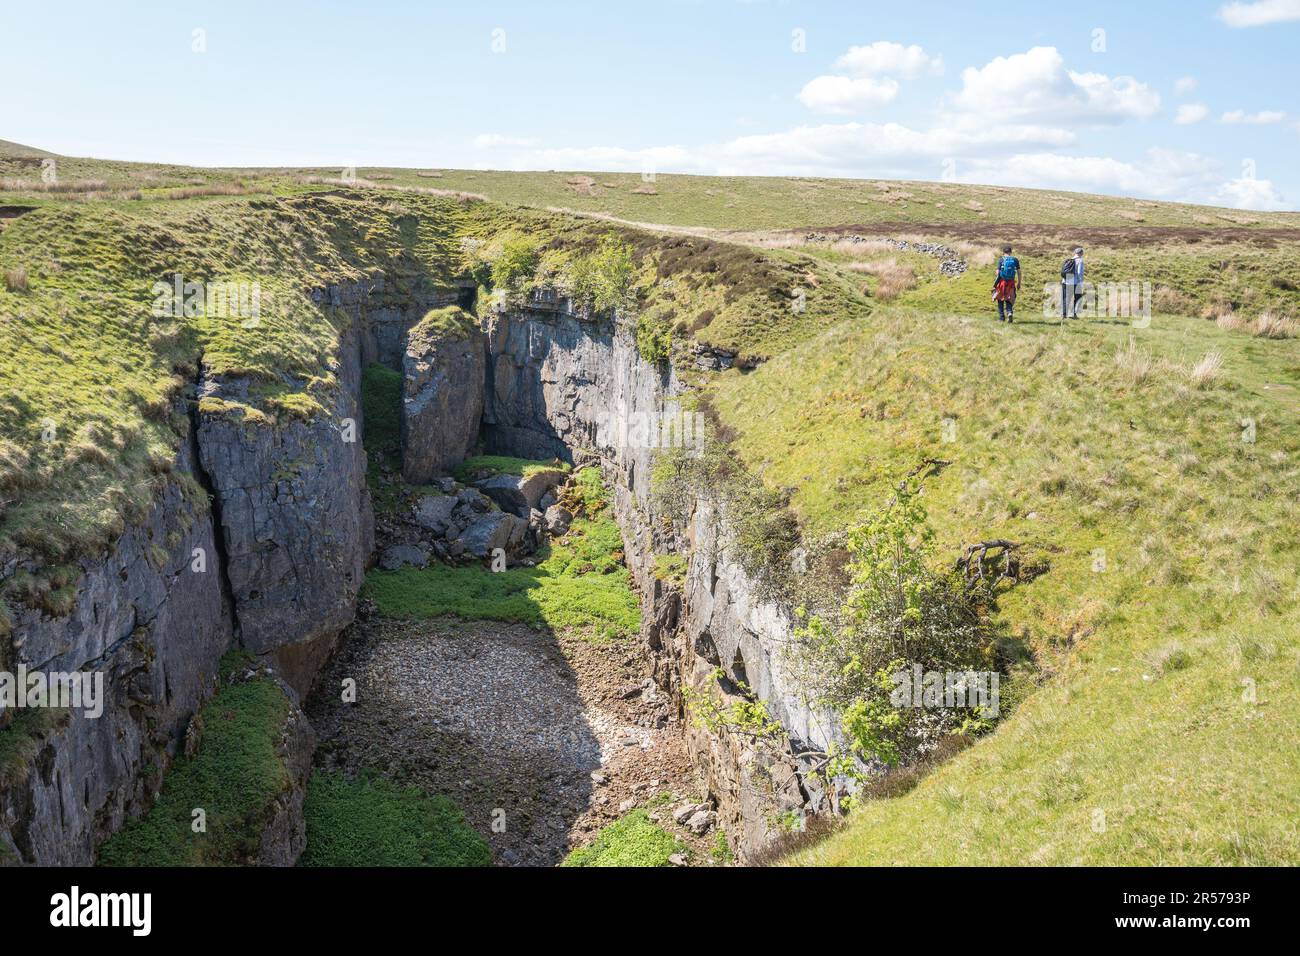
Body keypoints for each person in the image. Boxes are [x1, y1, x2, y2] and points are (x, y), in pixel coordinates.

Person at [992, 244, 1020, 322]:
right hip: (1011, 283)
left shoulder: (1001, 260)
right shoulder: (1015, 260)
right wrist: (1019, 283)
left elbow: (997, 272)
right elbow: (1019, 272)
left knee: (1000, 300)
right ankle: (1009, 312)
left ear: (1003, 252)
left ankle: (1002, 318)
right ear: (1010, 252)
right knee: (1009, 299)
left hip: (1002, 283)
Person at [1061, 246, 1085, 319]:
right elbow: (1079, 273)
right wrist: (1080, 283)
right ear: (1081, 253)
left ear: (1075, 253)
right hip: (1074, 283)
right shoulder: (1080, 261)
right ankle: (1073, 314)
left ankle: (1064, 314)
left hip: (1065, 282)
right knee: (1078, 298)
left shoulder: (1069, 260)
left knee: (1065, 298)